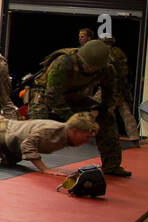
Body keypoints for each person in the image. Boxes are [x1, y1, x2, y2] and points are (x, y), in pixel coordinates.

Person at [28, 39, 129, 177]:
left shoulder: (106, 68)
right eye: (87, 66)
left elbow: (109, 95)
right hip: (44, 91)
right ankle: (13, 152)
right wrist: (75, 121)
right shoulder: (64, 62)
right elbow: (53, 97)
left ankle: (112, 165)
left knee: (107, 118)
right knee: (37, 122)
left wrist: (99, 111)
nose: (90, 70)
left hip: (72, 94)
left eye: (94, 68)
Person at [101, 37, 141, 141]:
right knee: (126, 113)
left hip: (111, 88)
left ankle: (108, 135)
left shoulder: (107, 55)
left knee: (106, 112)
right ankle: (134, 136)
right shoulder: (119, 54)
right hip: (121, 88)